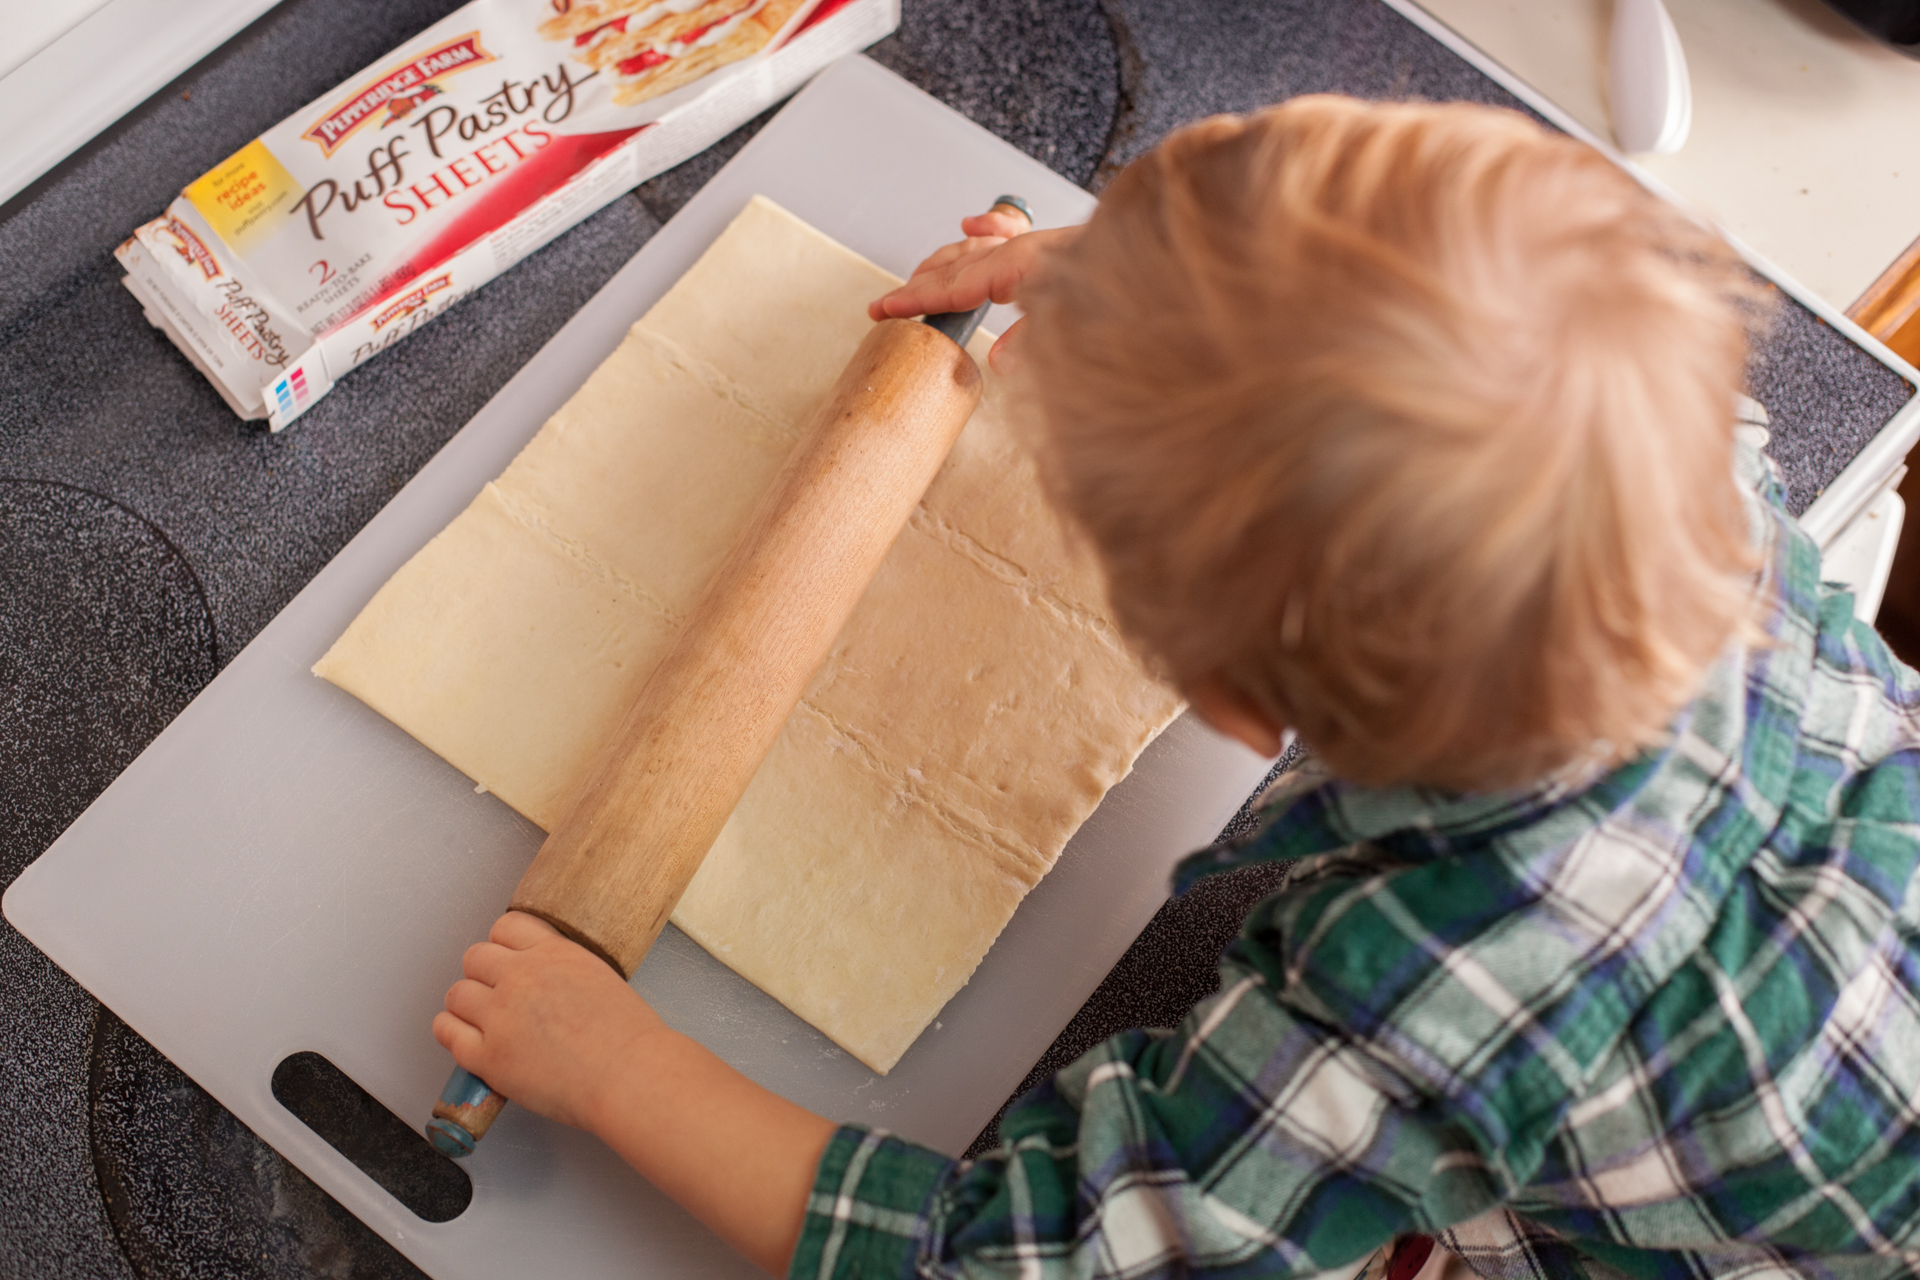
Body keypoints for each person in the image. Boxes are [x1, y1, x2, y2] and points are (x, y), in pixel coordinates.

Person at [432, 95, 1920, 1280]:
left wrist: (614, 1066)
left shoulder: (1420, 999)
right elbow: (1430, 342)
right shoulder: (1693, 469)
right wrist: (1171, 297)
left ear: (1219, 701)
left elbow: (1026, 1262)